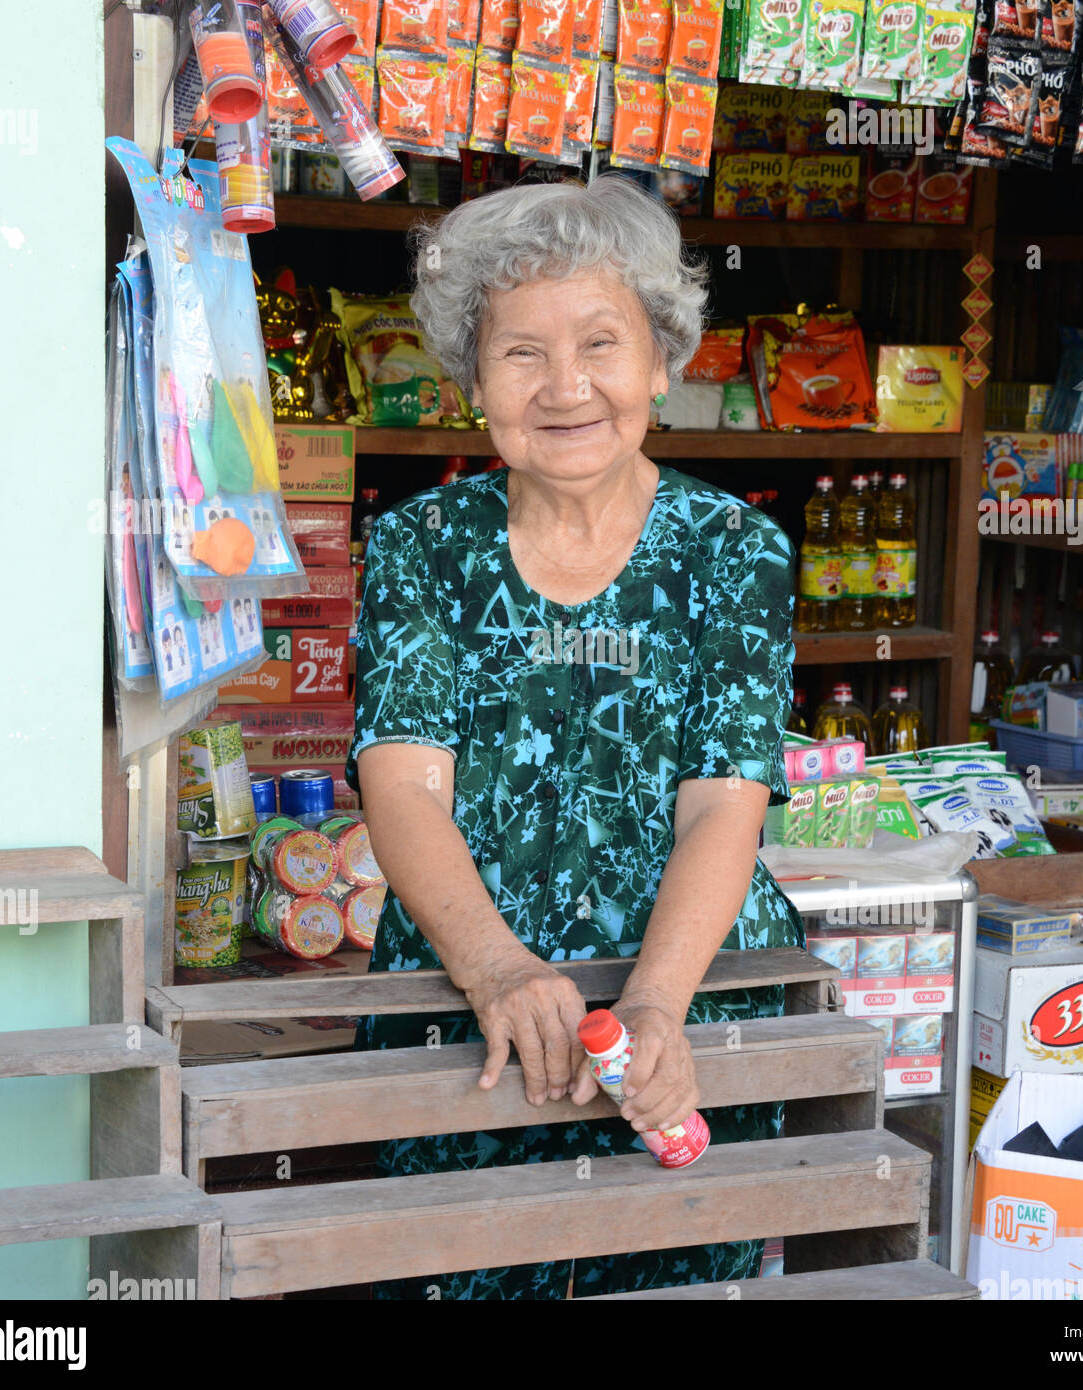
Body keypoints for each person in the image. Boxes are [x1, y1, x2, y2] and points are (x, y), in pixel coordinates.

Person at [347, 176, 804, 1300]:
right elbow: (402, 786)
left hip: (690, 1007)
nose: (566, 388)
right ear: (471, 375)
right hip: (465, 1019)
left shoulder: (733, 550)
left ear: (660, 357)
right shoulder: (419, 547)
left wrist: (655, 1005)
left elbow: (722, 798)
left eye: (601, 342)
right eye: (520, 353)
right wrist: (498, 968)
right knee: (455, 1274)